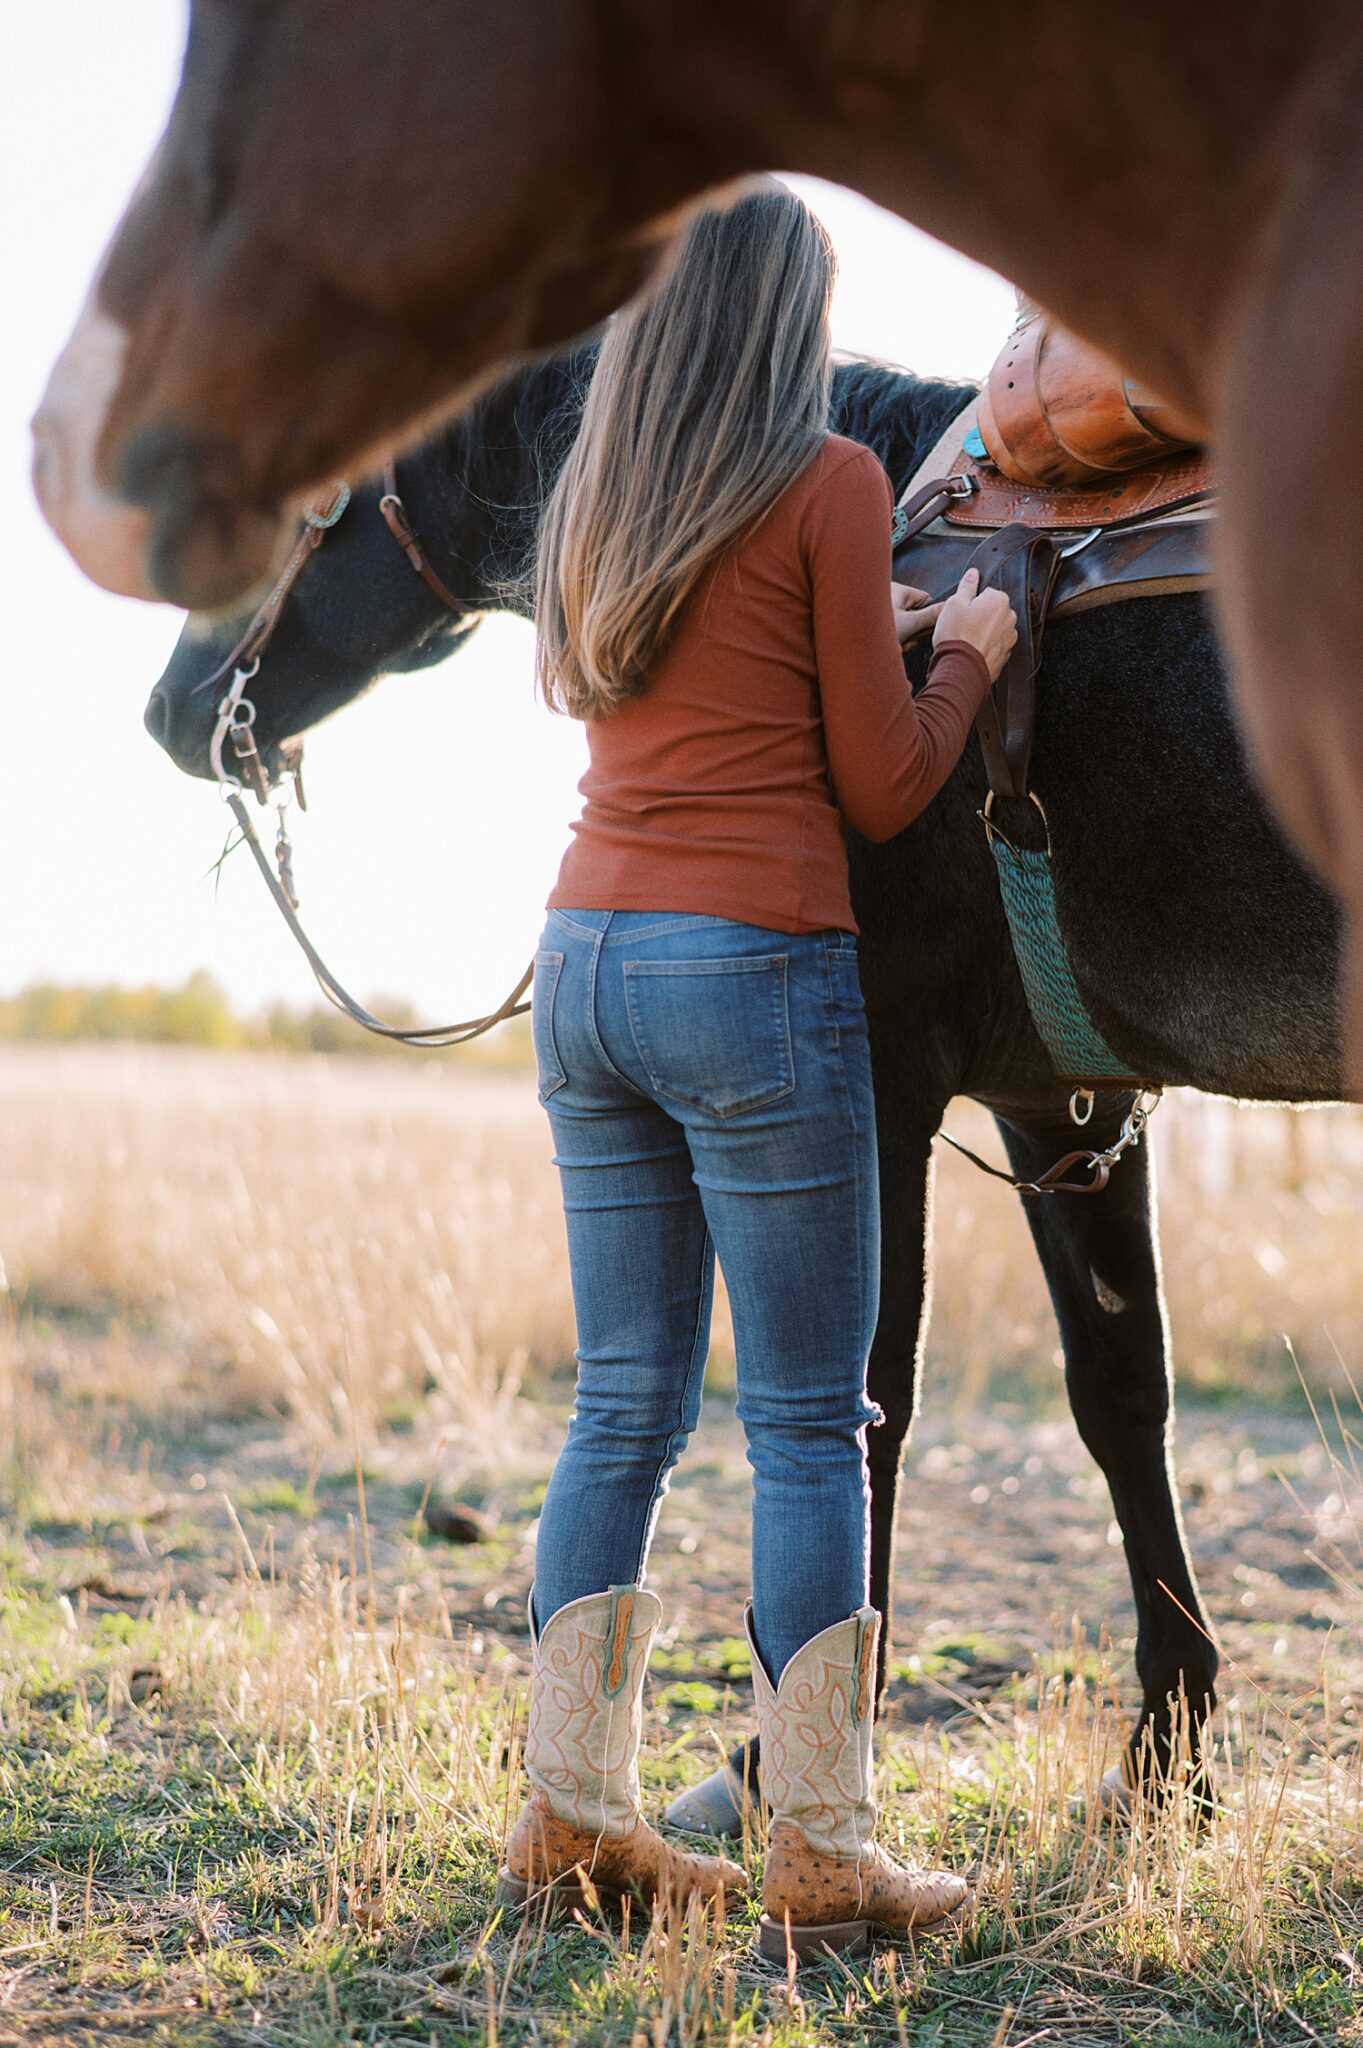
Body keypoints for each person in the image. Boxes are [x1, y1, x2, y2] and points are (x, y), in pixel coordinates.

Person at [497, 185, 1017, 1959]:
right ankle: (823, 1848)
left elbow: (667, 690)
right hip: (752, 971)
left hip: (584, 970)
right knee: (808, 1423)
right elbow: (881, 787)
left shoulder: (597, 501)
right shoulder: (830, 486)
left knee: (620, 1407)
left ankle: (571, 1812)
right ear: (791, 323)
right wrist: (958, 655)